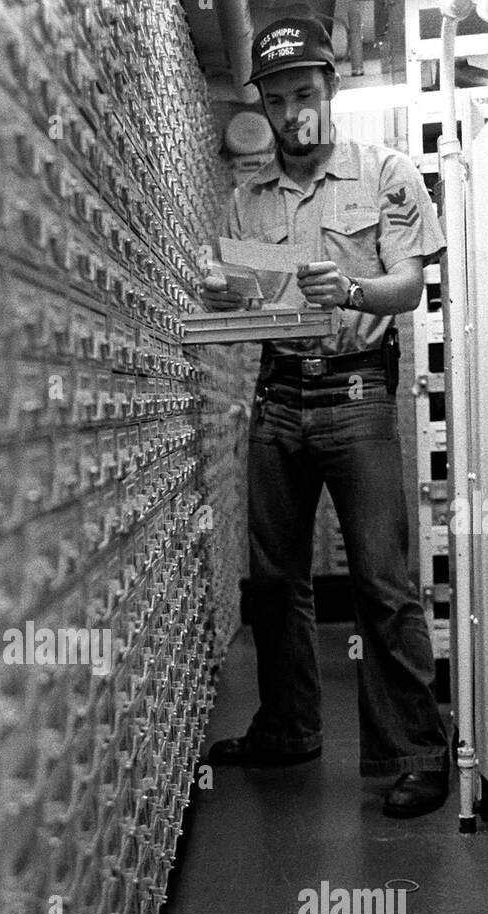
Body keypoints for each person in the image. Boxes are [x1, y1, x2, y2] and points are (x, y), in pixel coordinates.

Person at [201, 12, 450, 818]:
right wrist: (224, 295)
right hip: (279, 398)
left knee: (381, 582)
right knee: (273, 583)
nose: (290, 111)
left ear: (329, 90)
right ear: (264, 105)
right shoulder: (246, 200)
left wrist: (347, 290)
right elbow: (254, 303)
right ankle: (287, 728)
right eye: (275, 98)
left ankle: (413, 750)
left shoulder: (385, 172)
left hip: (355, 396)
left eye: (303, 92)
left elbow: (408, 288)